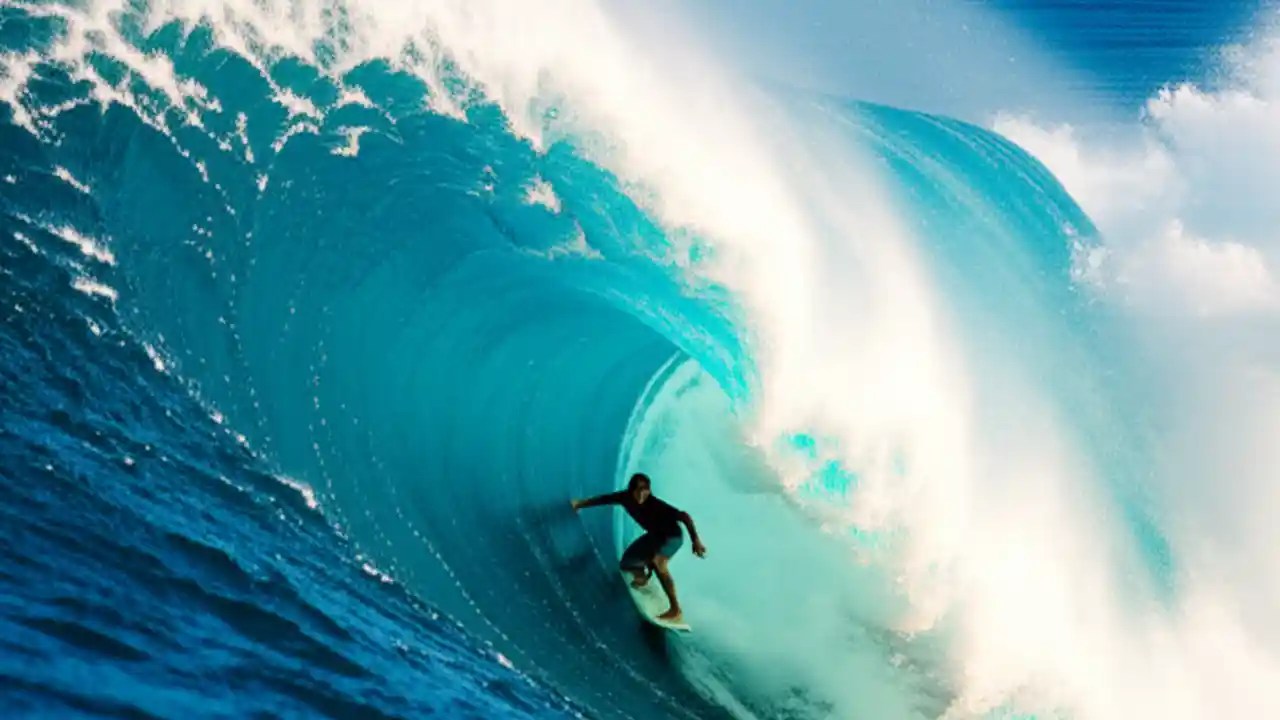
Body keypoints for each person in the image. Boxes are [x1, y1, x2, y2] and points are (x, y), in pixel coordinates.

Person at [571, 473, 706, 623]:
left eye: (645, 491)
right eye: (639, 491)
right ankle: (641, 576)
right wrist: (580, 504)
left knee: (658, 562)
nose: (642, 495)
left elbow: (684, 516)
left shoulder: (655, 504)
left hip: (672, 537)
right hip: (655, 537)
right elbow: (604, 499)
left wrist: (696, 540)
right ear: (632, 490)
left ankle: (675, 610)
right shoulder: (624, 497)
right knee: (626, 563)